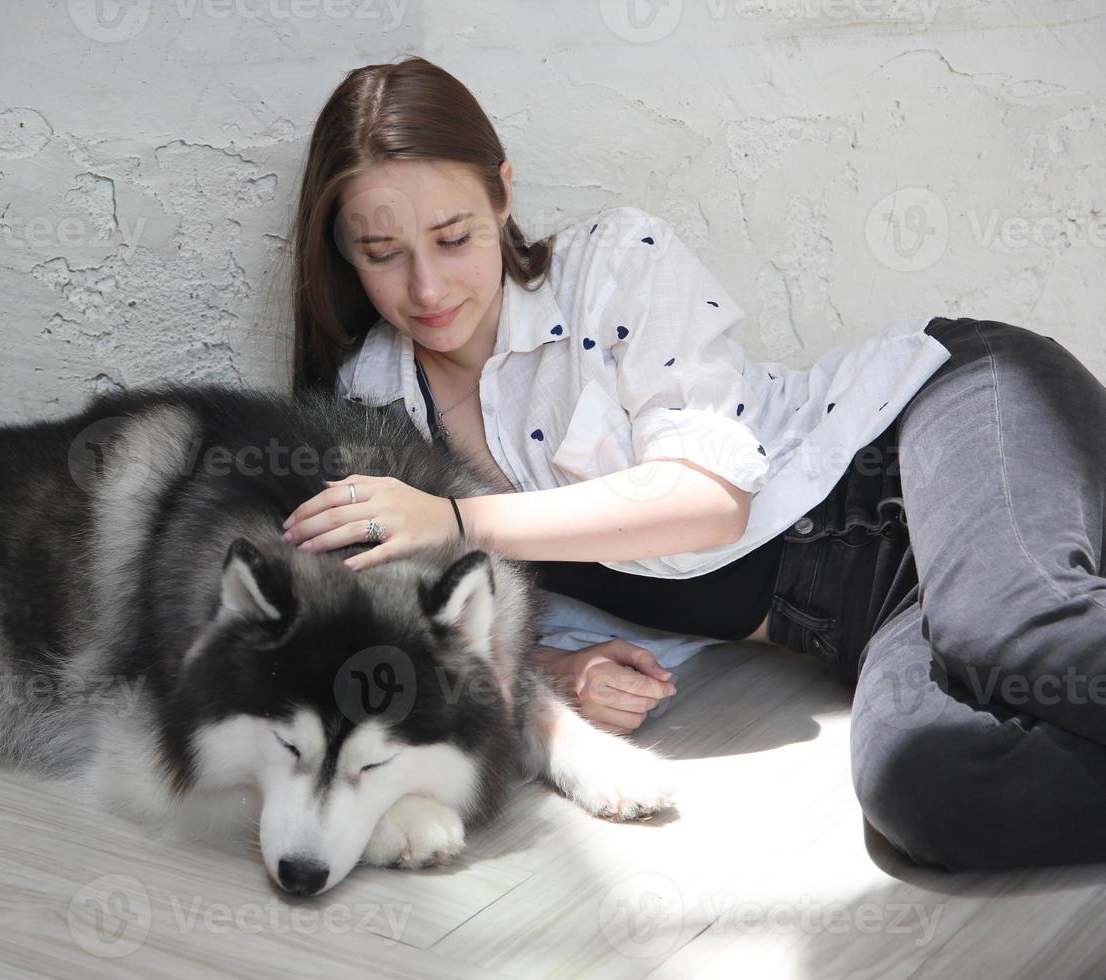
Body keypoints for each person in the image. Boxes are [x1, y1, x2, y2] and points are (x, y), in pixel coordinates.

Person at [280, 56, 1106, 870]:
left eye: (452, 237)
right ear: (344, 254)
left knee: (1006, 629)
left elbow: (708, 500)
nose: (426, 287)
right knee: (924, 787)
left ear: (500, 195)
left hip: (942, 426)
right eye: (382, 253)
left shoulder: (613, 266)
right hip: (877, 612)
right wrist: (560, 670)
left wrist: (458, 518)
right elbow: (417, 631)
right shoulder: (373, 417)